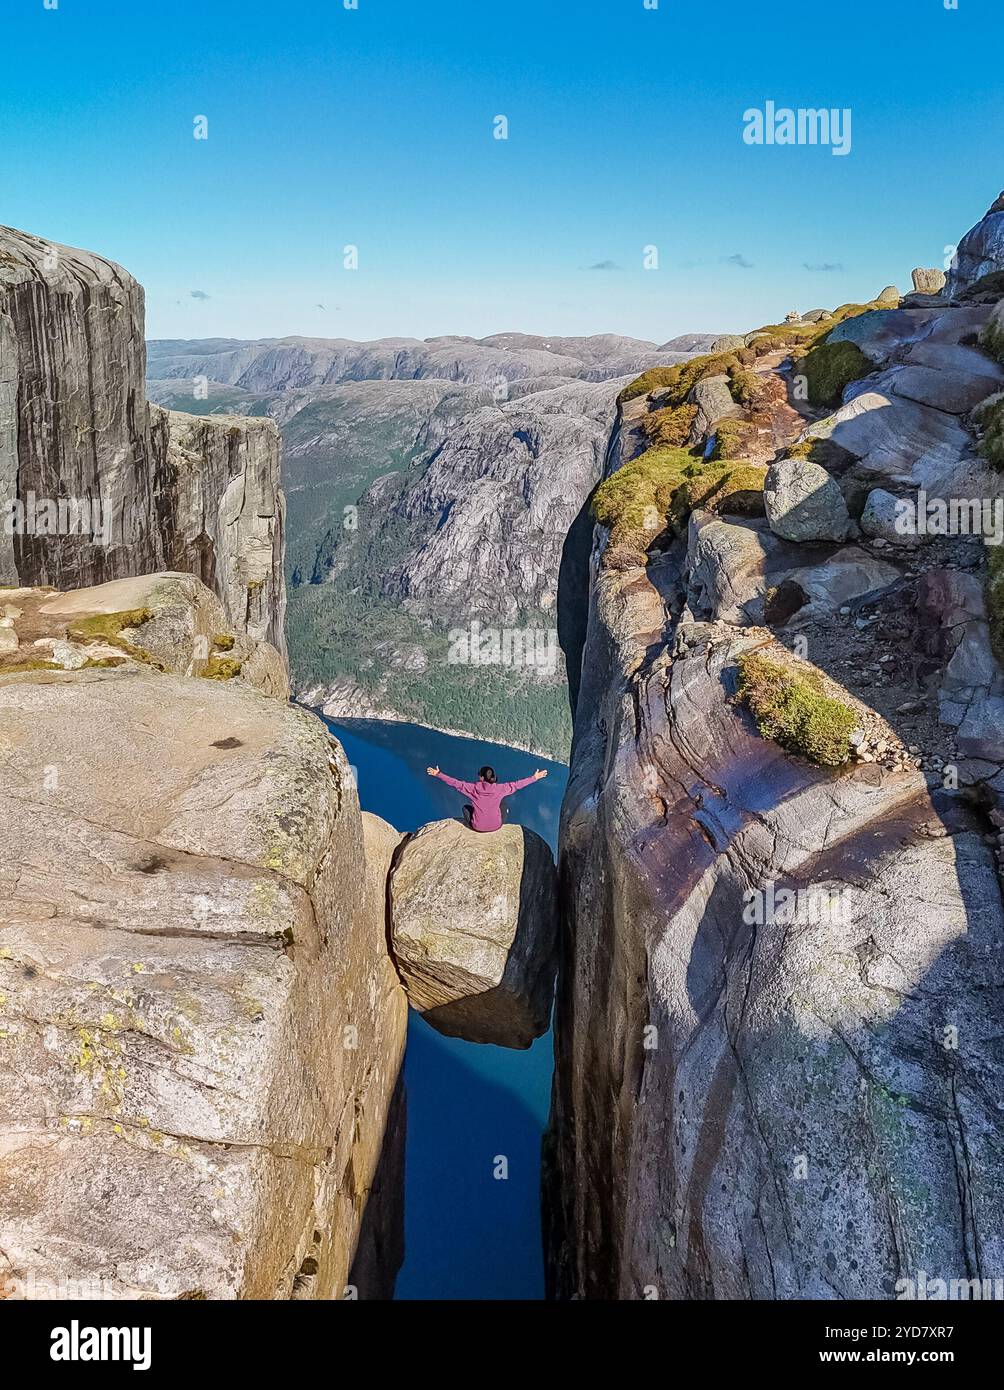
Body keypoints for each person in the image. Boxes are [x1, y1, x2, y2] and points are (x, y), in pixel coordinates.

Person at [426, 763, 547, 832]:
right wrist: (534, 777)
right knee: (504, 805)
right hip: (496, 826)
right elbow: (517, 785)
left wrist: (438, 774)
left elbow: (455, 783)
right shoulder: (501, 789)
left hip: (477, 827)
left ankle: (475, 824)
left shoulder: (472, 788)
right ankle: (494, 820)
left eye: (480, 775)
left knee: (465, 808)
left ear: (482, 778)